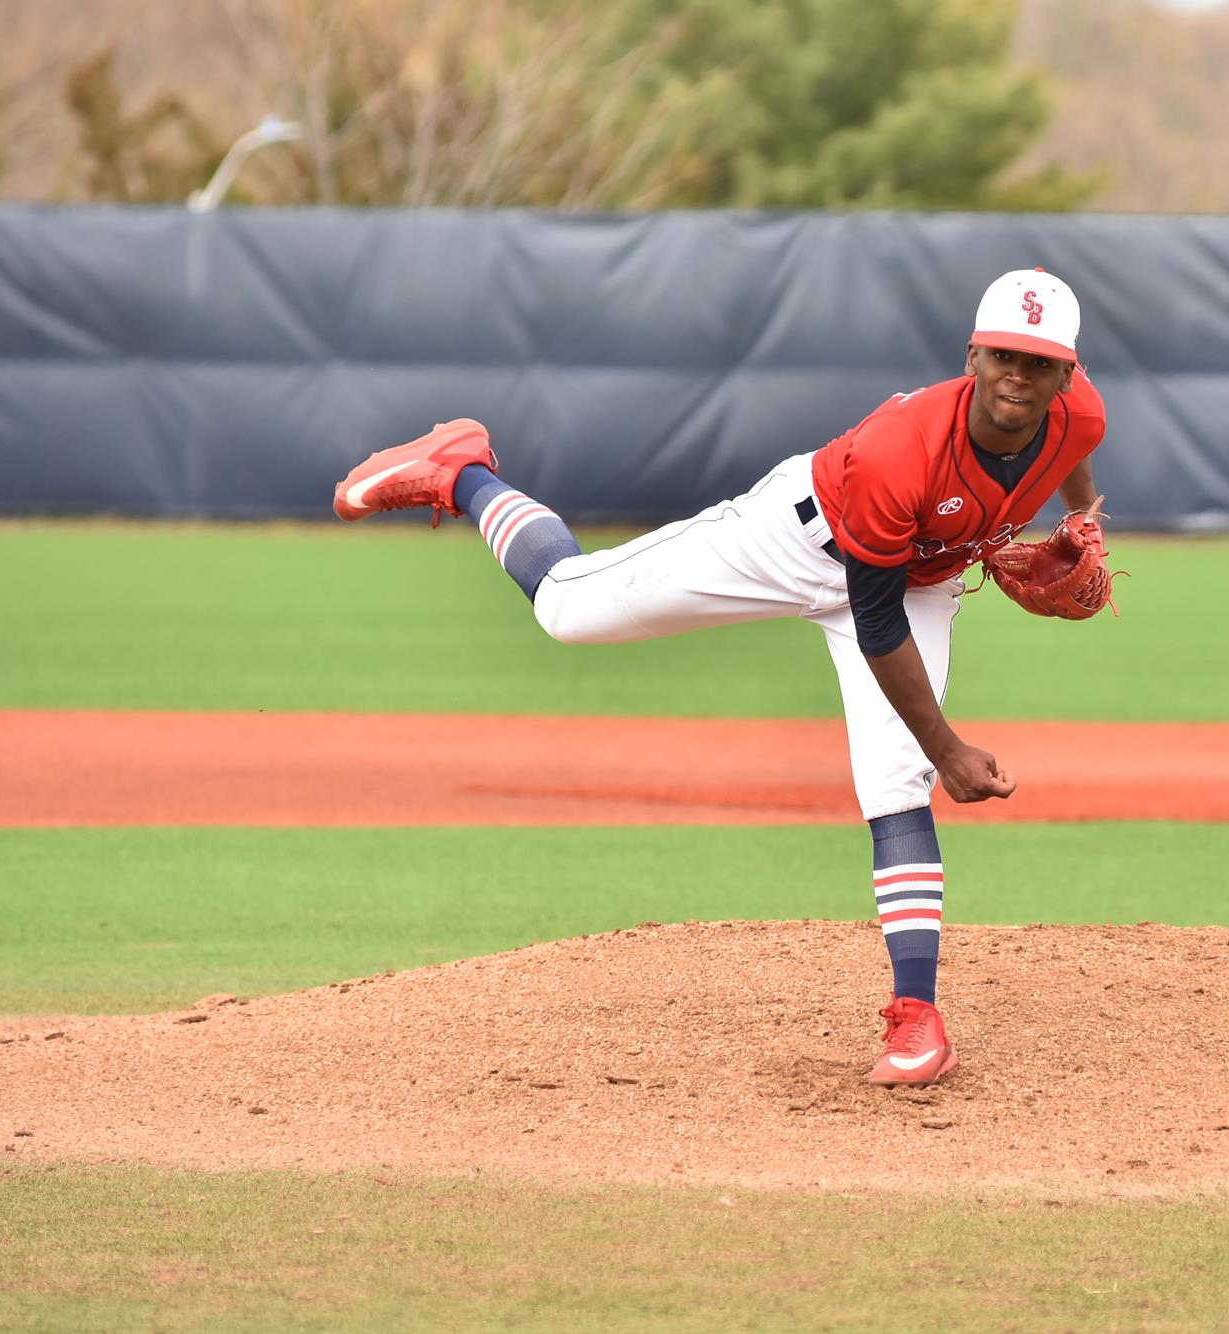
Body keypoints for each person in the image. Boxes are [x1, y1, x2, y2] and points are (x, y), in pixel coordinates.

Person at [331, 268, 1108, 1086]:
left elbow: (1072, 449)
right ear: (972, 355)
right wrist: (948, 748)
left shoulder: (1080, 414)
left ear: (1066, 374)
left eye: (1040, 363)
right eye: (1003, 356)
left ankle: (917, 1018)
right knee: (566, 607)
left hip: (921, 580)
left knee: (896, 783)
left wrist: (1082, 518)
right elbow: (875, 623)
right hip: (795, 539)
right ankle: (462, 471)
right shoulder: (900, 452)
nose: (1018, 375)